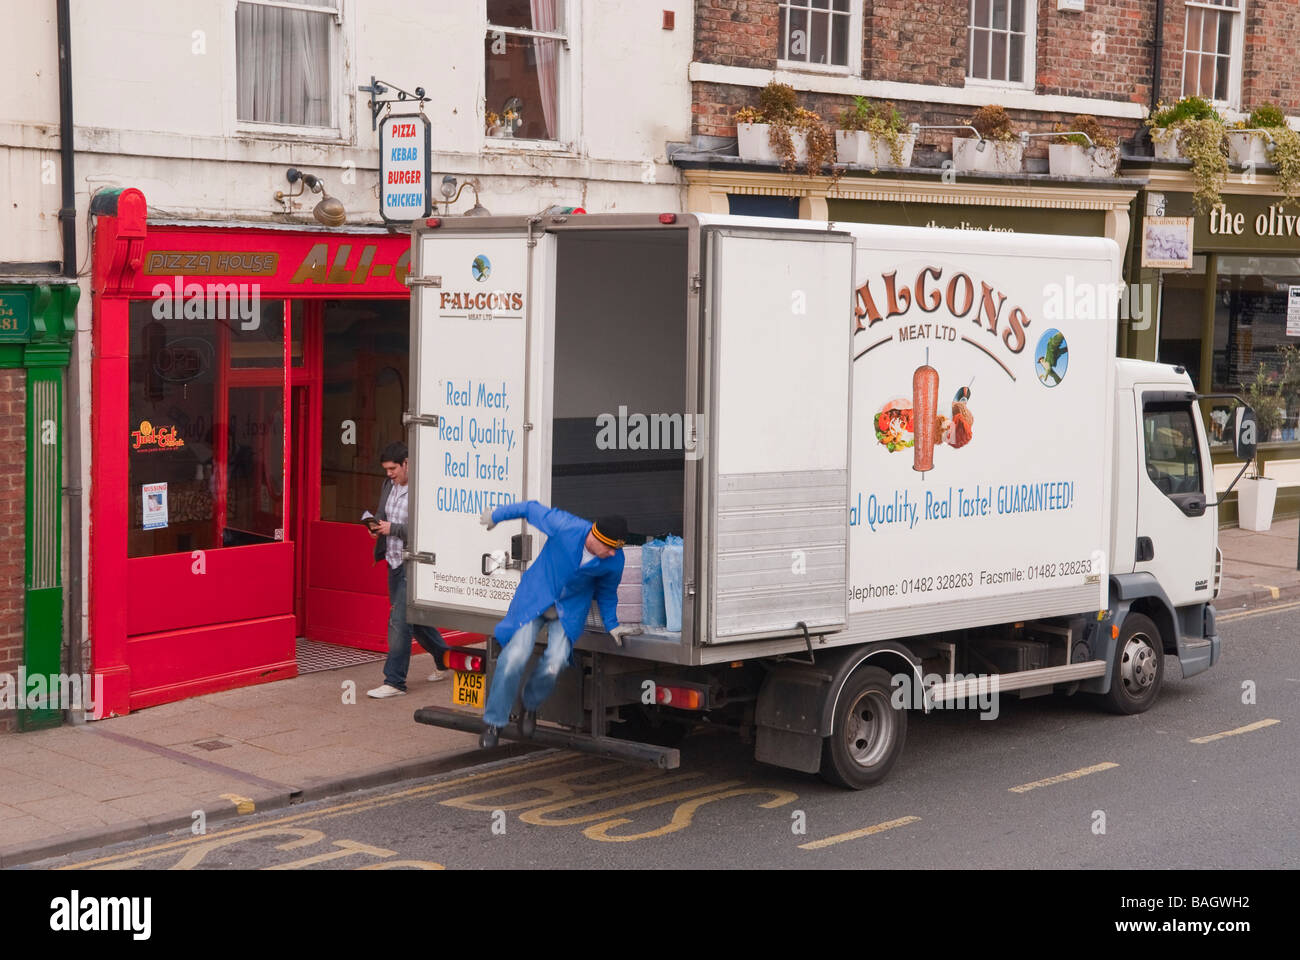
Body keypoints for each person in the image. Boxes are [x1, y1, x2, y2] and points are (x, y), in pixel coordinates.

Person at [477, 501, 640, 747]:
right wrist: (496, 515)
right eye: (610, 547)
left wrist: (612, 624)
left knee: (554, 663)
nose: (614, 554)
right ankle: (494, 722)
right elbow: (531, 509)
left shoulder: (614, 561)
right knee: (513, 658)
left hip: (569, 611)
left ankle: (530, 705)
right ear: (596, 537)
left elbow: (607, 593)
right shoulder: (566, 526)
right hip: (536, 597)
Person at [367, 441, 450, 699]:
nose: (389, 473)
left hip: (413, 562)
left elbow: (427, 528)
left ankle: (394, 681)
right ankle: (446, 659)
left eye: (393, 468)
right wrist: (375, 527)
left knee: (399, 620)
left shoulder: (422, 488)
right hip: (393, 560)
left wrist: (394, 529)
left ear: (407, 463)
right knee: (416, 620)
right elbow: (383, 515)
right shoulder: (388, 485)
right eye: (386, 469)